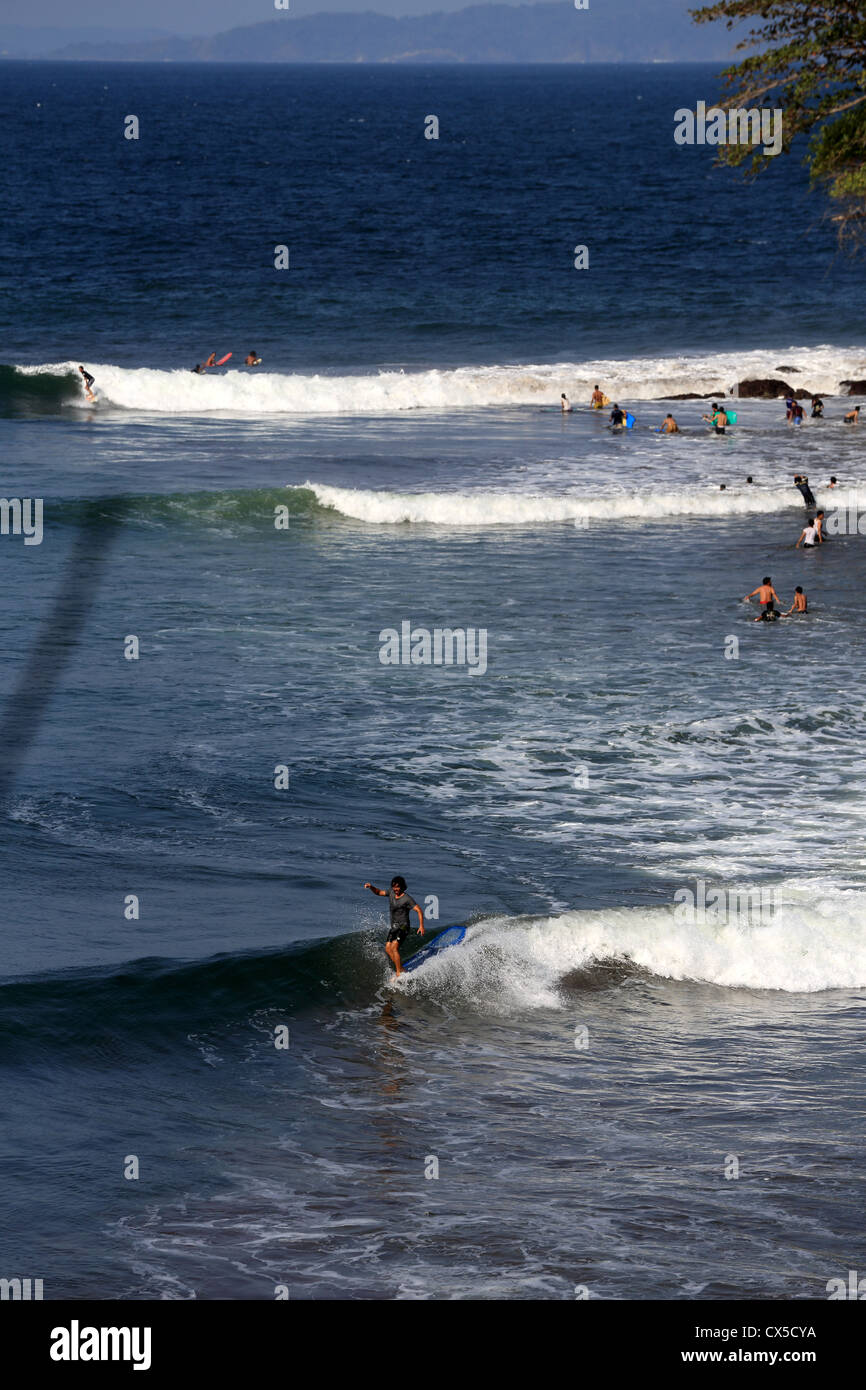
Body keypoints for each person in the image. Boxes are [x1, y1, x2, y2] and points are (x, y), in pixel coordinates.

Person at [364, 875, 424, 977]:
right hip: (394, 927)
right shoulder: (391, 892)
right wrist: (371, 887)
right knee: (388, 949)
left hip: (404, 927)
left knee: (394, 947)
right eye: (394, 887)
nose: (396, 889)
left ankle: (398, 972)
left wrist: (421, 926)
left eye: (398, 887)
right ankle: (400, 968)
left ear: (402, 887)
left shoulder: (407, 899)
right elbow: (379, 892)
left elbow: (419, 910)